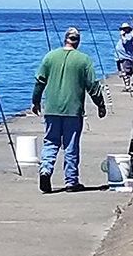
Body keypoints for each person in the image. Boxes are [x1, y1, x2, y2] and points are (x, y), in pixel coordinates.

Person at [32, 27, 106, 193]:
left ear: (64, 39)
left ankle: (45, 170)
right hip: (73, 110)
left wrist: (35, 101)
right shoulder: (83, 60)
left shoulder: (50, 56)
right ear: (77, 41)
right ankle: (71, 182)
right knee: (70, 145)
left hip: (51, 108)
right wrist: (100, 104)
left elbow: (39, 81)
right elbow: (92, 85)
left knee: (51, 141)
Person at [115, 23, 133, 88]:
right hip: (119, 57)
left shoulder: (129, 36)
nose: (123, 30)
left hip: (126, 57)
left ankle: (127, 85)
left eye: (124, 29)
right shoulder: (123, 36)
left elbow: (125, 42)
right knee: (122, 71)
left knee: (126, 72)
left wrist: (122, 36)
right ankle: (126, 84)